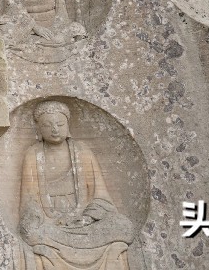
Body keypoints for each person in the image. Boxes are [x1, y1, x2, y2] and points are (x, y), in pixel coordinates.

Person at [18, 101, 132, 270]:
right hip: (52, 225)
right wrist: (43, 219)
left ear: (67, 125)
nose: (55, 129)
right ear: (38, 129)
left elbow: (100, 197)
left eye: (60, 124)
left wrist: (86, 218)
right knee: (31, 231)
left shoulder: (82, 150)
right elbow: (29, 200)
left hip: (85, 223)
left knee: (122, 225)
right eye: (48, 125)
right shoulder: (33, 155)